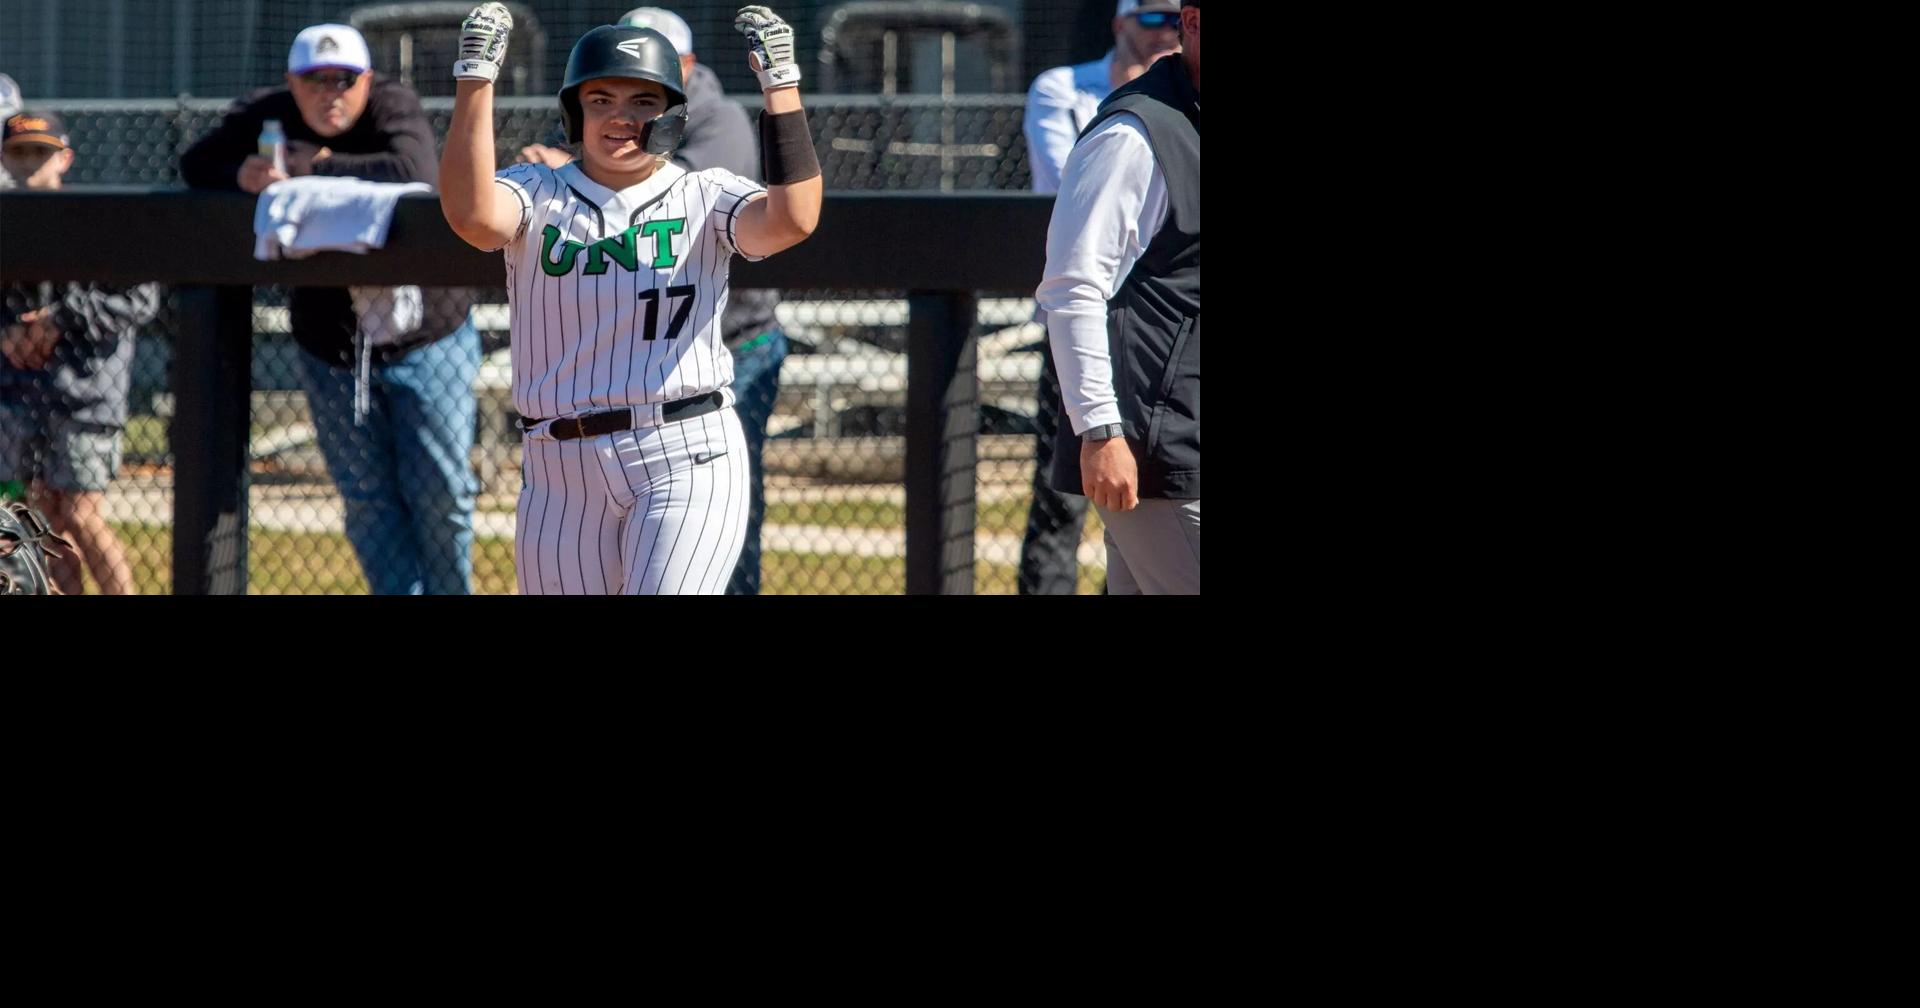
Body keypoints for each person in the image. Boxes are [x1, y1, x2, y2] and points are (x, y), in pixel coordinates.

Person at [440, 4, 820, 594]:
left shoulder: (705, 193)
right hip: (559, 468)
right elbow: (471, 216)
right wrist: (475, 79)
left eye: (643, 102)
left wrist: (782, 87)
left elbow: (793, 219)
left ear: (672, 113)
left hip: (684, 449)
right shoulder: (536, 191)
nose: (621, 118)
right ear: (575, 112)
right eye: (601, 101)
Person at [180, 24, 482, 595]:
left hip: (428, 335)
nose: (331, 94)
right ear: (292, 84)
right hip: (334, 344)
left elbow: (414, 171)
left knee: (442, 493)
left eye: (344, 80)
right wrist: (238, 173)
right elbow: (196, 162)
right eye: (315, 81)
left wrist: (316, 165)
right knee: (366, 497)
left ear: (367, 80)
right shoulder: (266, 112)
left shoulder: (393, 102)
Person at [1035, 0, 1198, 595]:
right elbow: (1073, 287)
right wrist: (1100, 432)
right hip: (1156, 448)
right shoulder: (1134, 133)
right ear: (1193, 24)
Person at [1, 110, 163, 594]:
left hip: (86, 391)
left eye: (41, 152)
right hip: (22, 393)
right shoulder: (6, 220)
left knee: (80, 510)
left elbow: (139, 299)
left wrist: (59, 320)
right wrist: (9, 333)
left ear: (65, 158)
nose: (30, 163)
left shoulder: (97, 219)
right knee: (42, 515)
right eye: (19, 152)